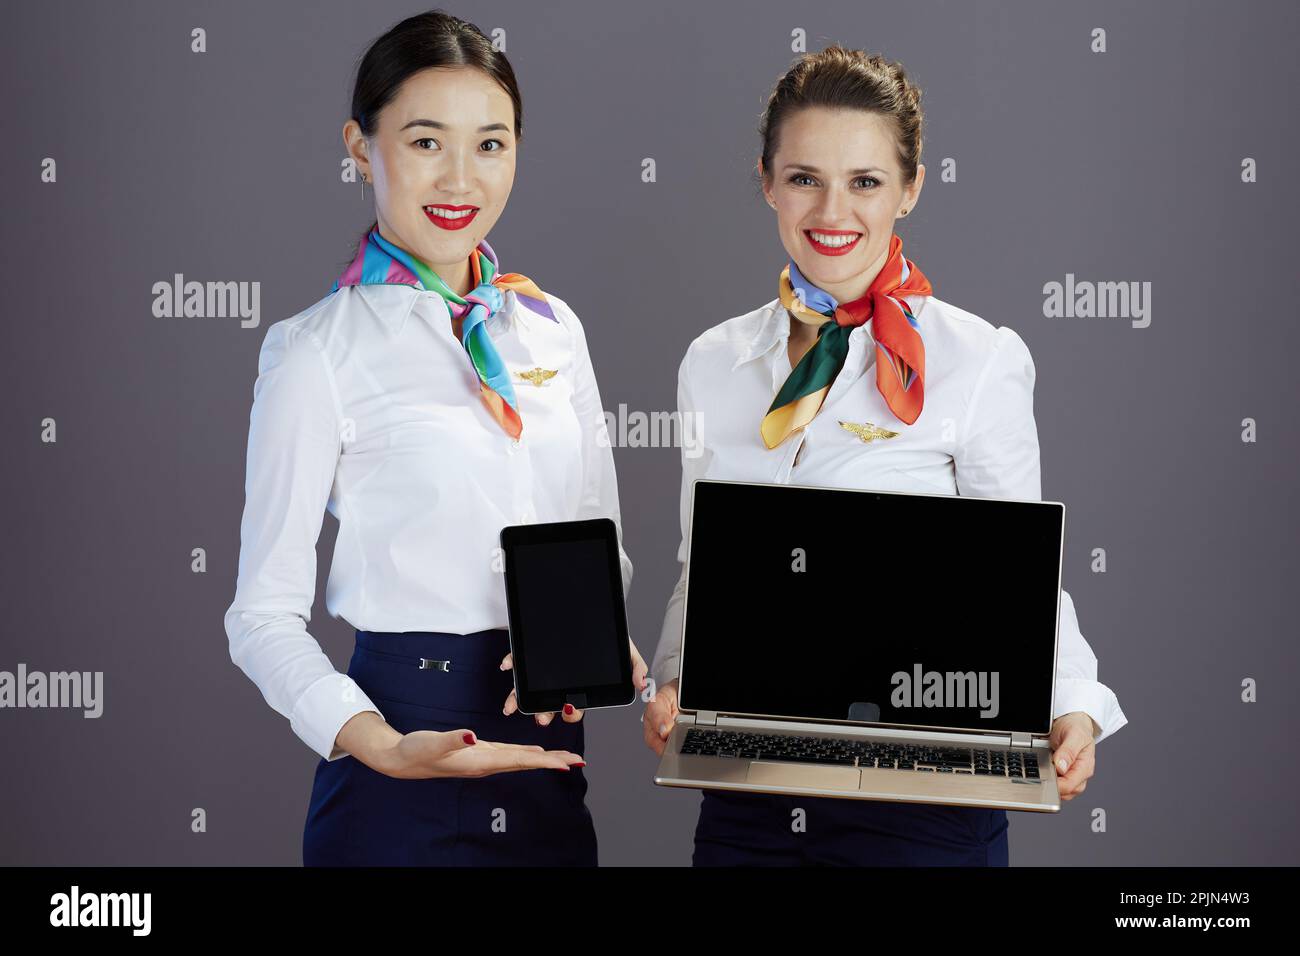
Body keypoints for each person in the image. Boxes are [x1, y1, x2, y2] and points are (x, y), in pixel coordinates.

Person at [642, 45, 1127, 866]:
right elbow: (708, 561)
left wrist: (1073, 702)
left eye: (865, 181)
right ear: (766, 181)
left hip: (926, 786)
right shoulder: (711, 362)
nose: (833, 209)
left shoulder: (979, 360)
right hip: (750, 787)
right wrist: (676, 683)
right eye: (804, 178)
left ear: (909, 189)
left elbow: (1023, 575)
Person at [224, 10, 646, 866]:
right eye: (425, 142)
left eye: (490, 144)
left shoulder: (551, 328)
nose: (461, 178)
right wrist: (375, 743)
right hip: (399, 771)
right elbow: (259, 616)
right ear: (359, 146)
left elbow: (600, 542)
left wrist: (596, 635)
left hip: (546, 764)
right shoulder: (316, 351)